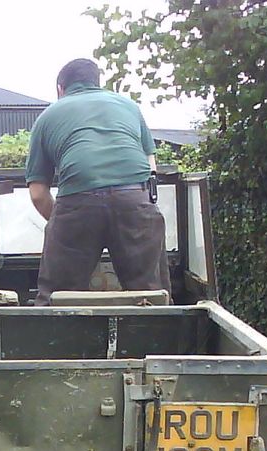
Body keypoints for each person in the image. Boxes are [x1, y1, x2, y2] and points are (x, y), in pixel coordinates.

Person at [26, 58, 170, 305]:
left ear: (61, 88)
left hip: (77, 200)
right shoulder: (129, 107)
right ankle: (159, 337)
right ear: (97, 82)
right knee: (150, 295)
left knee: (59, 298)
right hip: (135, 199)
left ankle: (57, 337)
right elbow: (150, 169)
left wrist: (69, 227)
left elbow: (38, 194)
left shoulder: (48, 117)